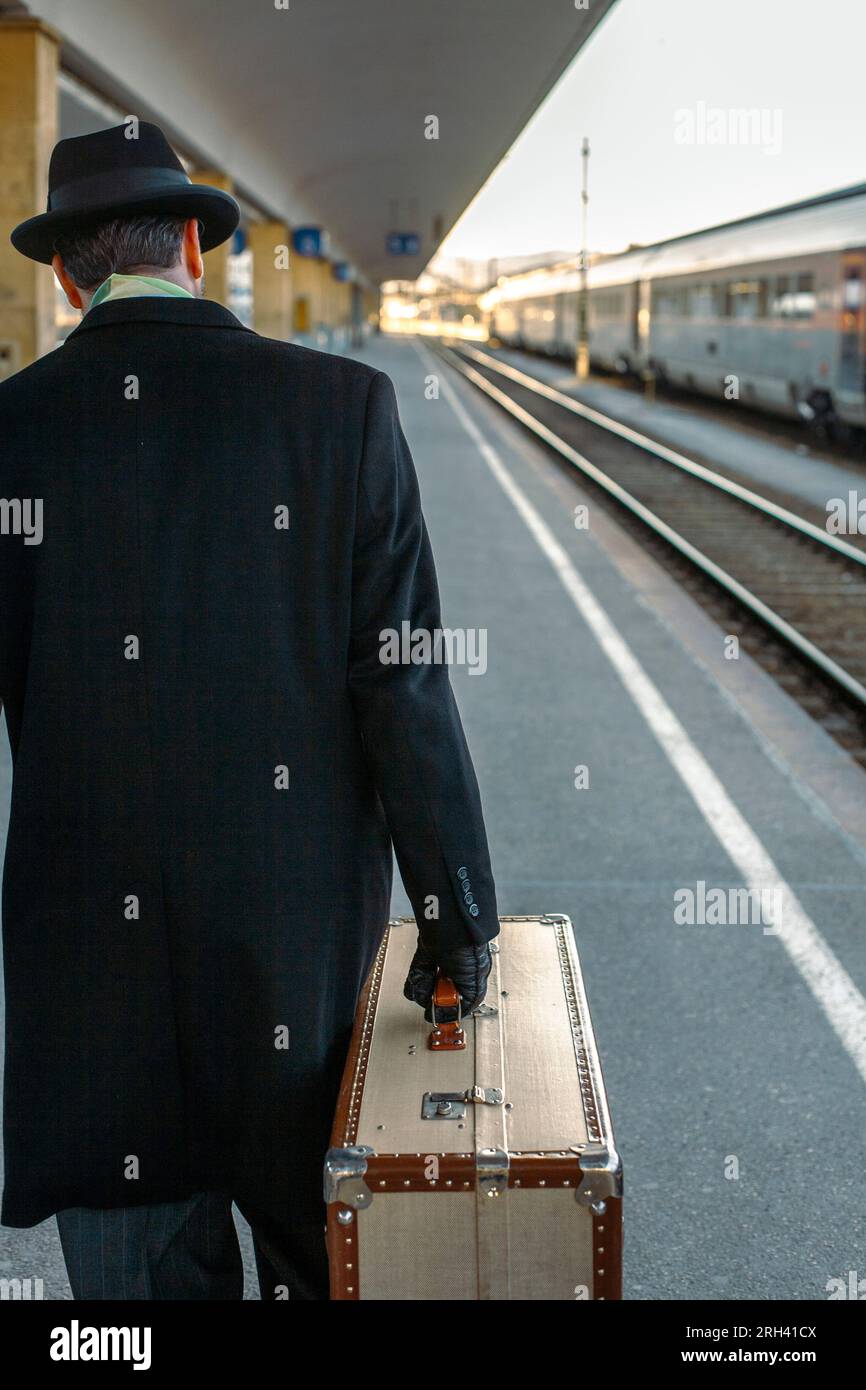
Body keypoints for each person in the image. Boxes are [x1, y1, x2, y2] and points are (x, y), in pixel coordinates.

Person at [0, 122, 498, 1300]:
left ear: (68, 273)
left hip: (90, 979)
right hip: (292, 971)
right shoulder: (341, 412)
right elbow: (403, 681)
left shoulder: (12, 432)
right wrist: (452, 914)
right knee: (320, 1252)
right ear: (193, 246)